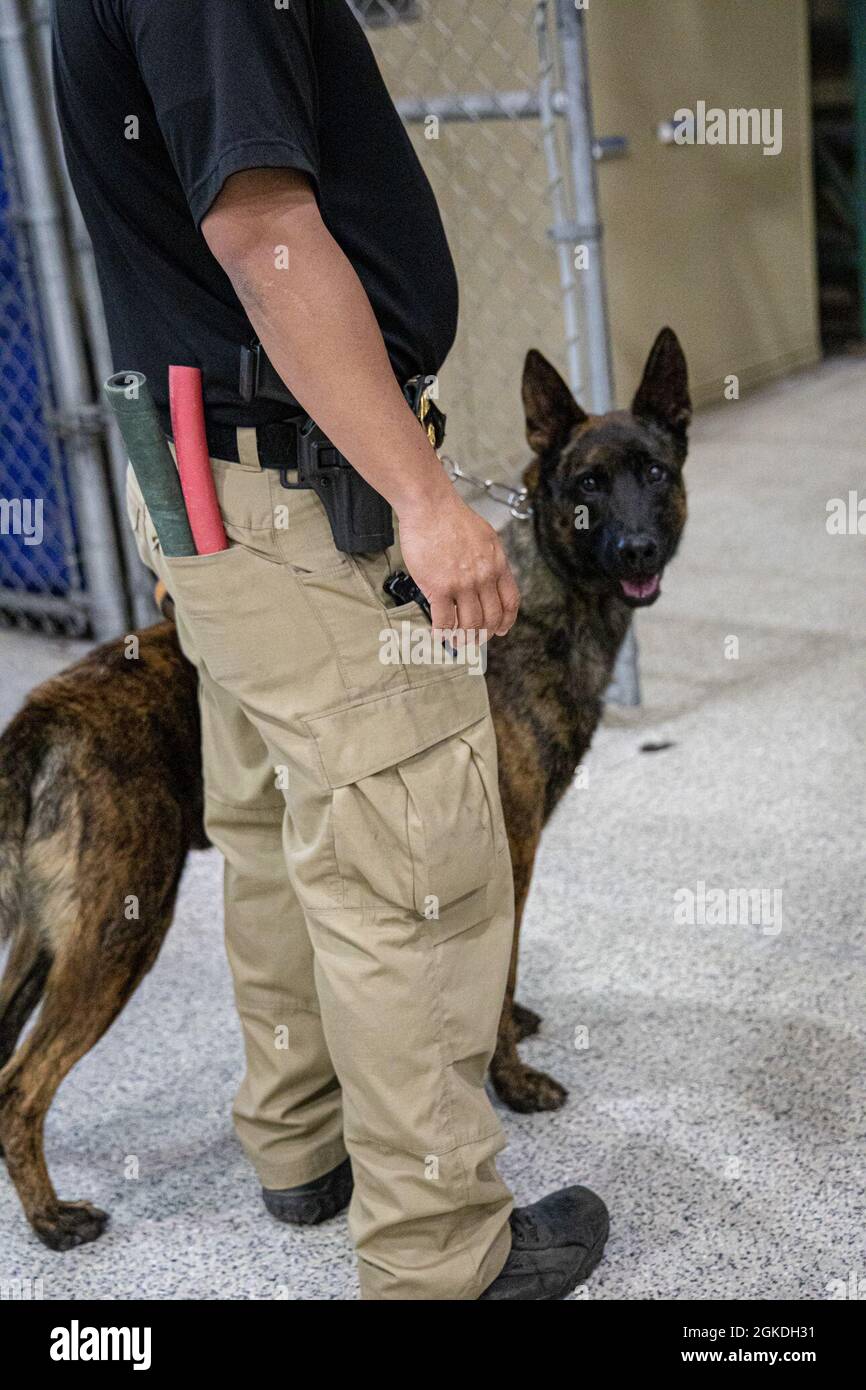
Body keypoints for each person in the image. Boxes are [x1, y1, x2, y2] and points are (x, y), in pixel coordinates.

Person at [51, 0, 609, 1299]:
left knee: (271, 815)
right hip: (299, 491)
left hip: (212, 481)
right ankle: (439, 1254)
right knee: (412, 845)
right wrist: (421, 496)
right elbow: (262, 233)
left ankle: (299, 1137)